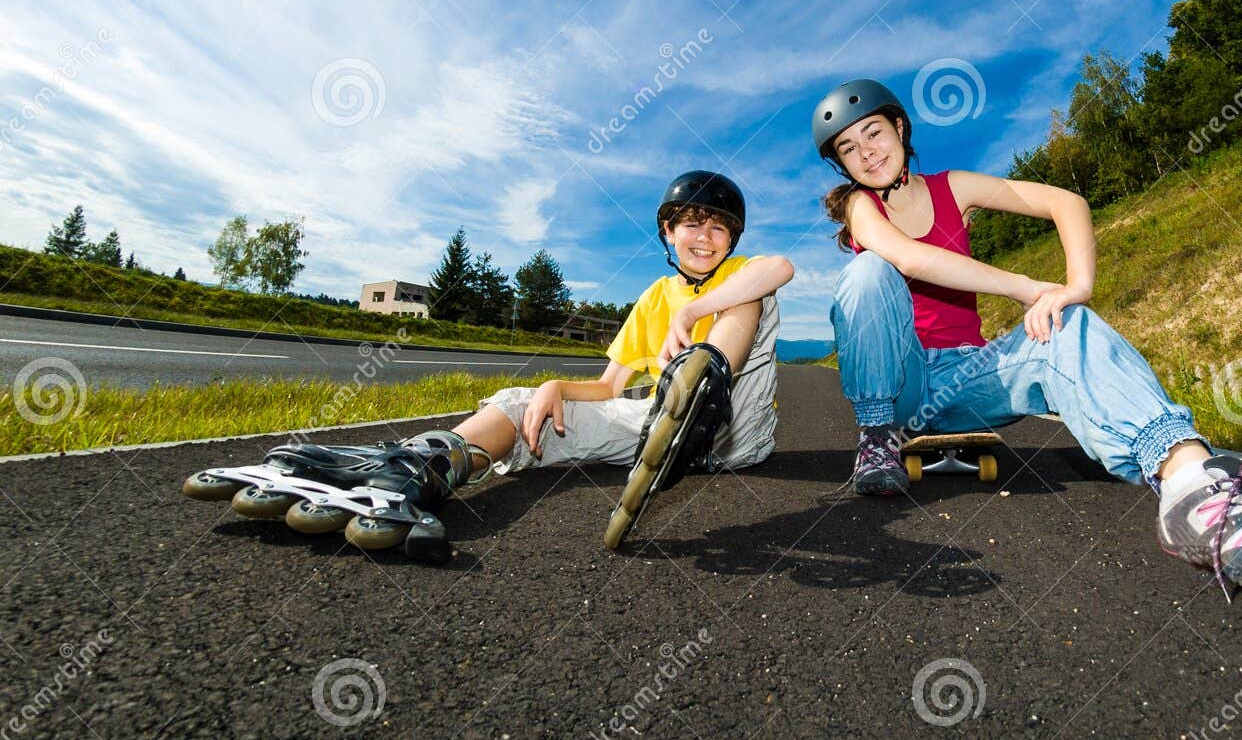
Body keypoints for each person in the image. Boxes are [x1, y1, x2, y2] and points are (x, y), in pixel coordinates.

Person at [812, 79, 1242, 597]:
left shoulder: (954, 187)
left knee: (1064, 322)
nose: (867, 152)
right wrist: (1027, 287)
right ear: (842, 165)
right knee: (868, 274)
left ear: (902, 129)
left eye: (874, 133)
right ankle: (877, 433)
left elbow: (1065, 202)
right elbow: (910, 258)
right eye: (850, 148)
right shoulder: (862, 207)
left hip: (967, 379)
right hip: (903, 383)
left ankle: (1194, 491)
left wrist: (1075, 287)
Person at [183, 170, 792, 560]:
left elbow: (781, 269)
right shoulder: (654, 298)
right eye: (692, 225)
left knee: (748, 298)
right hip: (654, 423)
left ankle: (703, 382)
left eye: (719, 228)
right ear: (668, 232)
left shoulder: (743, 273)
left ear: (733, 238)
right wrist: (554, 385)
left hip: (735, 427)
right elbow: (610, 387)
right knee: (524, 402)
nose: (705, 237)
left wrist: (697, 317)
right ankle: (423, 469)